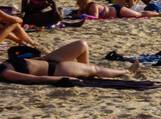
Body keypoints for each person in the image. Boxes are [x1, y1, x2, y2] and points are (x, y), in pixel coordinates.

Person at [0, 40, 131, 85]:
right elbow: (35, 78)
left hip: (48, 59)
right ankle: (126, 71)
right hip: (57, 69)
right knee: (95, 69)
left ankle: (85, 69)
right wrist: (59, 79)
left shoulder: (4, 64)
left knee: (82, 44)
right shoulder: (4, 72)